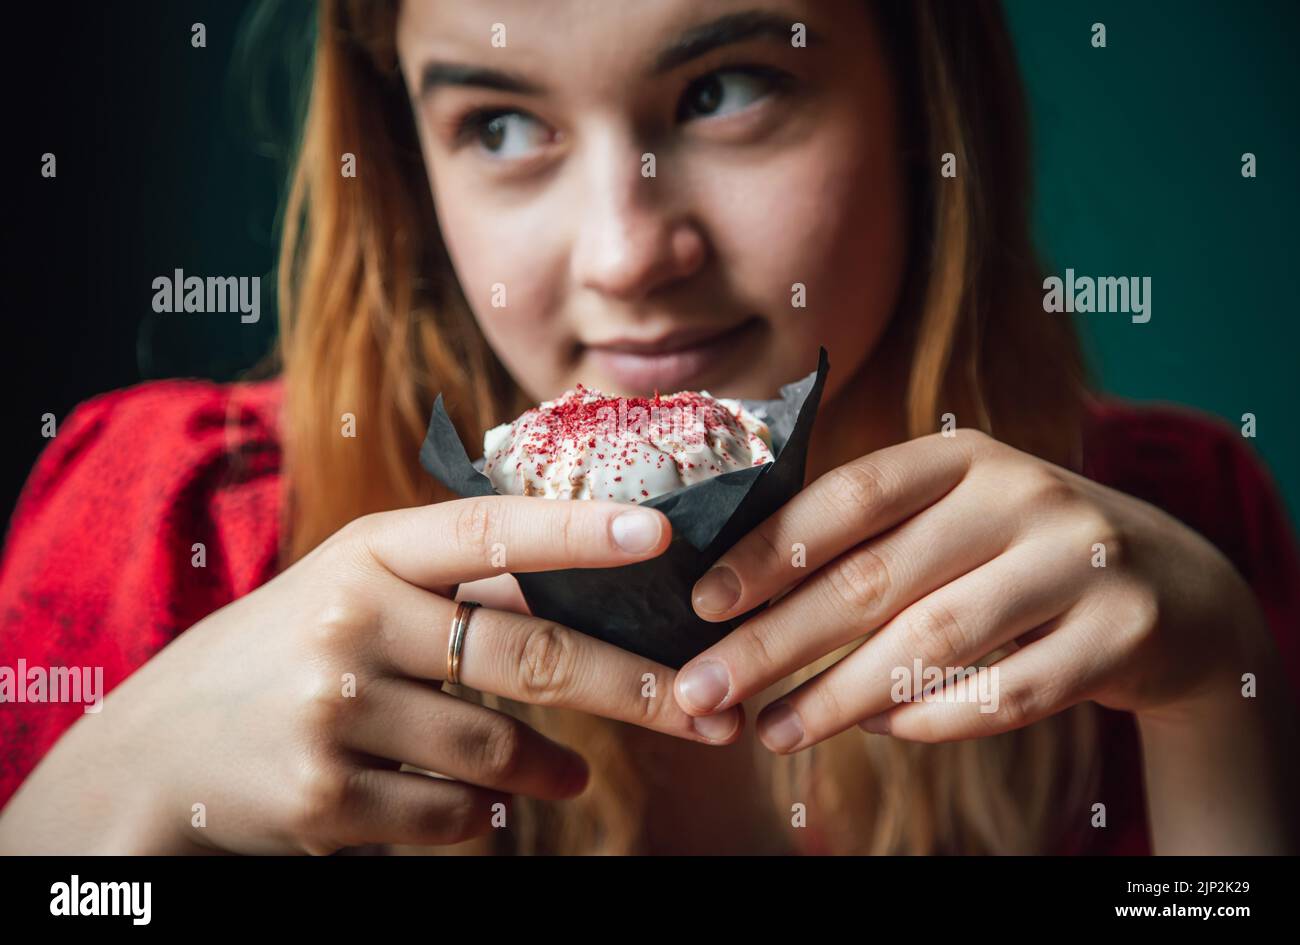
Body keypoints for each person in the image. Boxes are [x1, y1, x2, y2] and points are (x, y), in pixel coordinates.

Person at [1, 0, 1297, 856]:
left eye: (727, 89)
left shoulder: (1168, 540)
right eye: (500, 124)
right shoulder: (172, 544)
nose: (626, 254)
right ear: (409, 162)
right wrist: (88, 814)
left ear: (922, 100)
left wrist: (1210, 713)